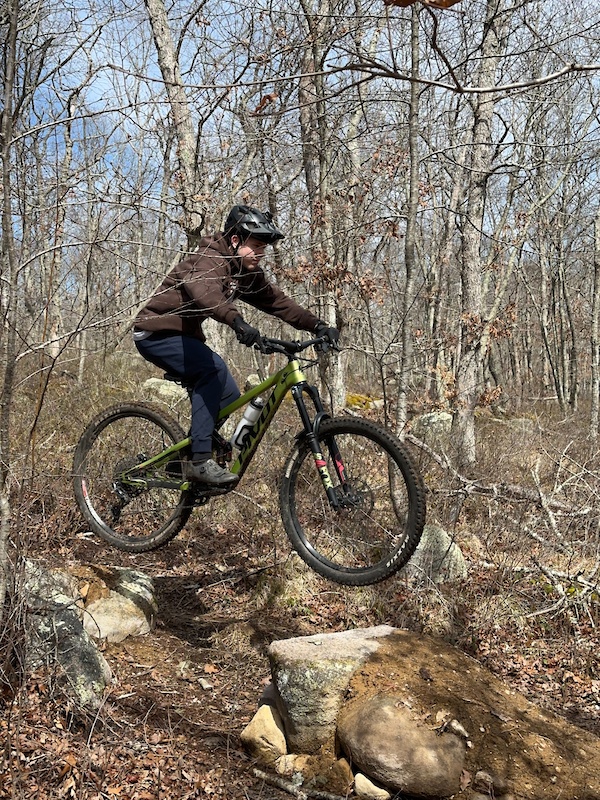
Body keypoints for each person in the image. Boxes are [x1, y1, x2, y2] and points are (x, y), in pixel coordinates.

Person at [133, 204, 340, 486]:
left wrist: (317, 325)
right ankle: (199, 460)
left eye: (264, 248)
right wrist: (237, 321)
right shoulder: (209, 259)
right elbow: (205, 292)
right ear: (235, 240)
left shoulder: (245, 270)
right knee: (212, 370)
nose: (260, 253)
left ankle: (181, 460)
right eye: (255, 246)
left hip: (183, 337)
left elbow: (277, 302)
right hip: (154, 331)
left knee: (229, 396)